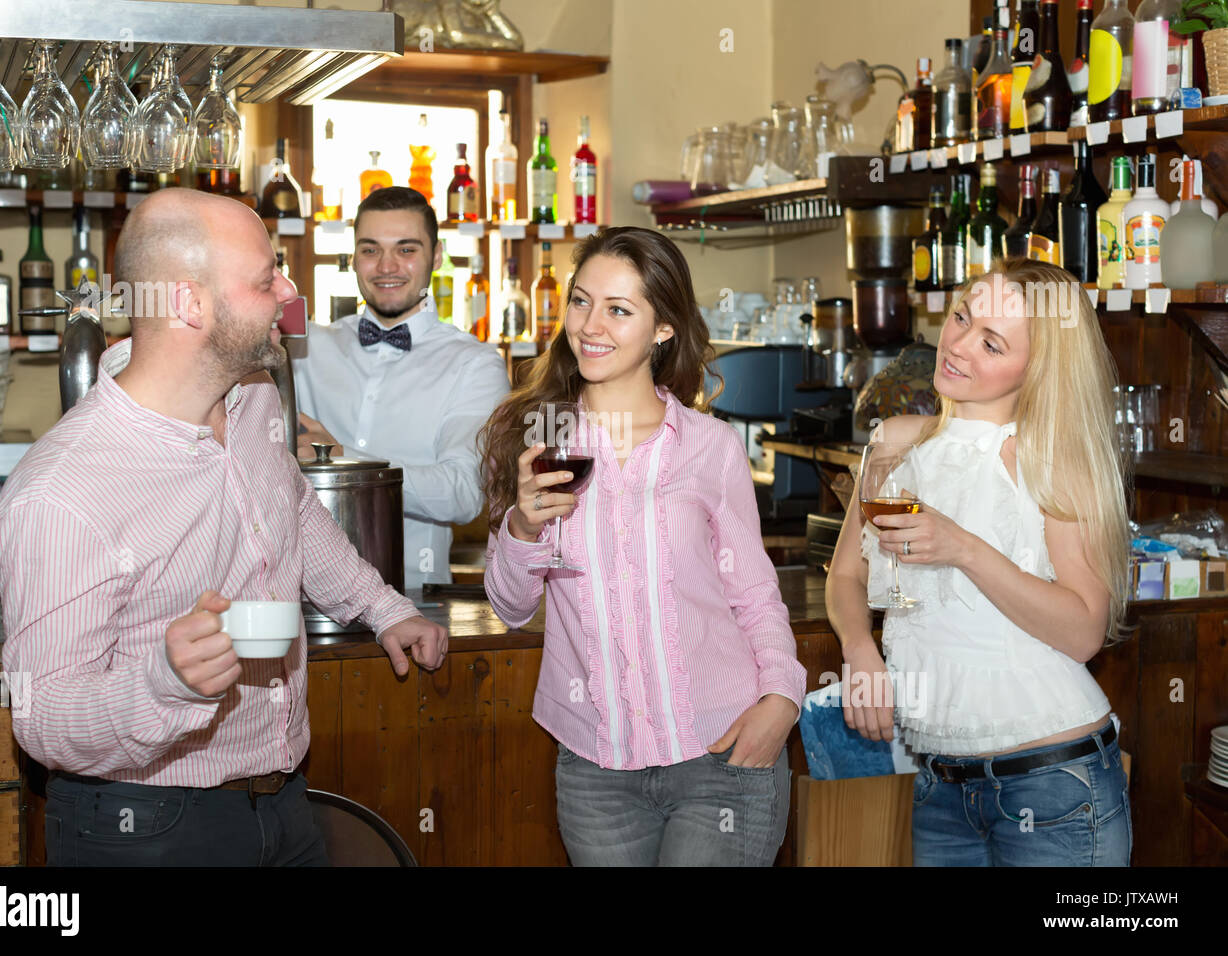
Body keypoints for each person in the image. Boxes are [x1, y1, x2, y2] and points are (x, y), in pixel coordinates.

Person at [0, 188, 449, 867]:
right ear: (188, 304)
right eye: (267, 279)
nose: (291, 292)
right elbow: (44, 717)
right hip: (147, 827)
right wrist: (162, 684)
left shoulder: (255, 392)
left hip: (285, 799)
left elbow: (290, 505)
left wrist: (381, 609)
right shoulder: (60, 493)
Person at [480, 226, 806, 866]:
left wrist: (782, 700)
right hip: (597, 768)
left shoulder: (710, 447)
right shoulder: (537, 439)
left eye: (618, 309)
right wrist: (522, 526)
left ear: (664, 329)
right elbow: (511, 607)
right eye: (581, 301)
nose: (590, 326)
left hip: (725, 749)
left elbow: (754, 593)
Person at [826, 257, 1132, 867]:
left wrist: (962, 547)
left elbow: (1083, 631)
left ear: (1038, 367)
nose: (958, 345)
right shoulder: (892, 444)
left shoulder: (1049, 461)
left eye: (991, 343)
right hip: (941, 787)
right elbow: (847, 575)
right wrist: (860, 650)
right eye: (962, 317)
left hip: (1052, 786)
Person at [293, 186, 509, 587]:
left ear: (437, 256)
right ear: (354, 258)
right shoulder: (306, 348)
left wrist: (342, 459)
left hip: (413, 599)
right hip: (302, 593)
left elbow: (463, 494)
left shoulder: (473, 364)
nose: (386, 266)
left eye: (406, 250)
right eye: (370, 250)